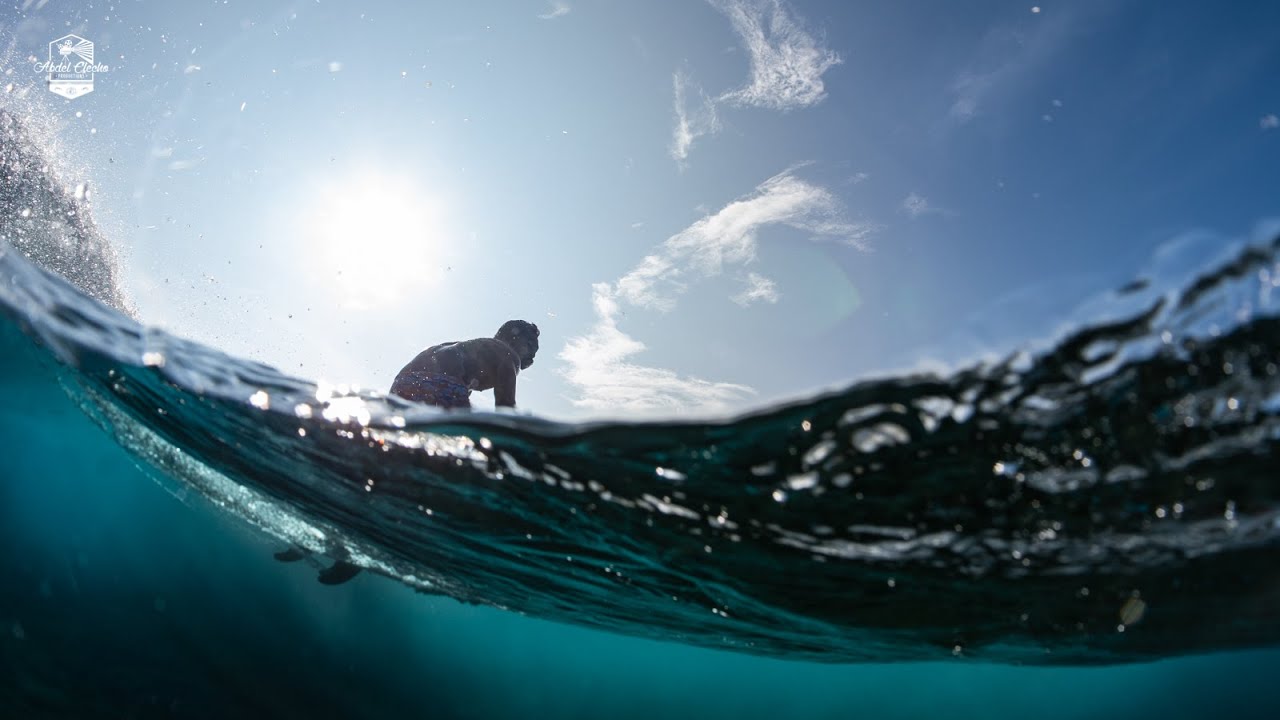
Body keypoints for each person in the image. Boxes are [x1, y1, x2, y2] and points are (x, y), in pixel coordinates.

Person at [389, 319, 539, 409]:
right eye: (531, 346)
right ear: (513, 338)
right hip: (443, 383)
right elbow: (505, 407)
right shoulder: (508, 355)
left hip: (404, 380)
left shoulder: (472, 350)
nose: (532, 356)